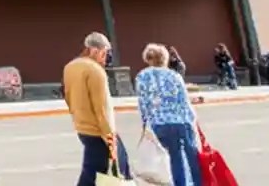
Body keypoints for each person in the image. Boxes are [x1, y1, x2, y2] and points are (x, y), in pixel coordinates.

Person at [63, 32, 130, 186]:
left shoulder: (70, 67)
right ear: (94, 51)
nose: (106, 59)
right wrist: (110, 139)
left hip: (82, 127)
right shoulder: (96, 71)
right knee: (104, 172)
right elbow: (102, 109)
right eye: (104, 53)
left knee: (94, 171)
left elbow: (68, 97)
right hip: (98, 131)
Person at [135, 43, 203, 186]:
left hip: (160, 123)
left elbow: (143, 103)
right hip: (182, 121)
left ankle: (180, 183)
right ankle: (198, 183)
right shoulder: (174, 75)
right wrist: (193, 120)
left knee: (174, 155)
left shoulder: (142, 77)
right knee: (192, 155)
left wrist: (145, 123)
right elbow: (184, 100)